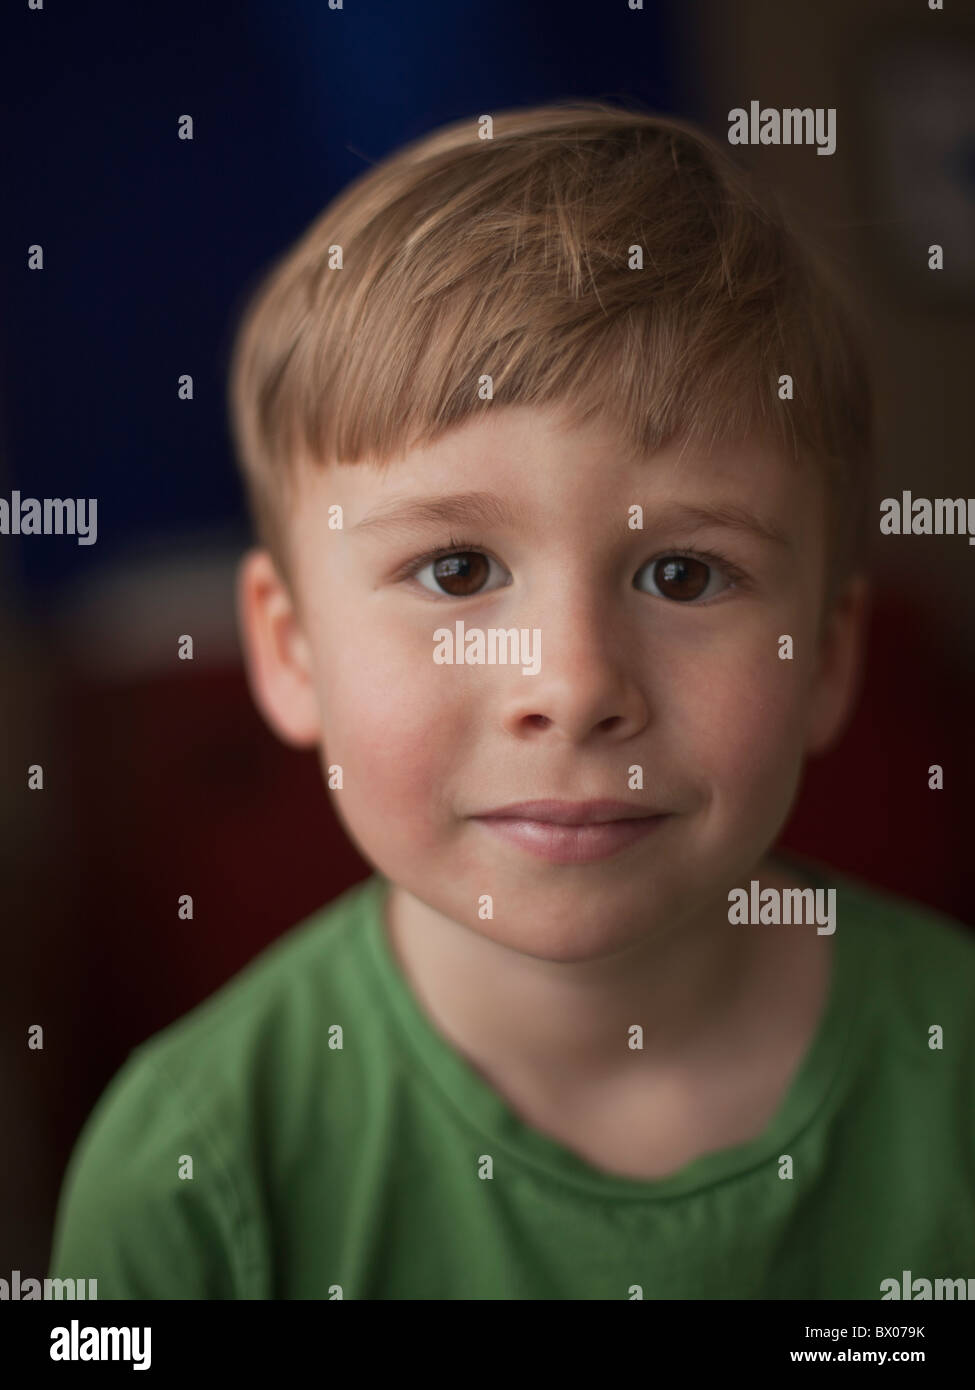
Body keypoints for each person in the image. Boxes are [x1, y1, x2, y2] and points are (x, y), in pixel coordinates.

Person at [48, 102, 975, 1299]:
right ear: (289, 651)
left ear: (827, 660)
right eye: (458, 570)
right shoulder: (191, 1171)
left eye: (682, 574)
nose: (577, 684)